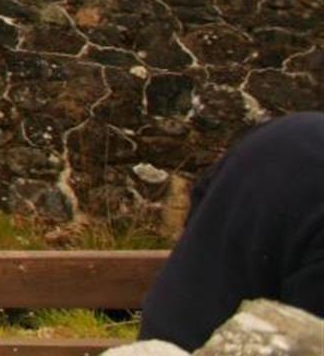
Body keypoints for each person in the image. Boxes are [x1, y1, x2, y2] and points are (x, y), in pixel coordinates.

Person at [138, 111, 324, 348]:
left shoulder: (290, 132)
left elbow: (200, 200)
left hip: (164, 334)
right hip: (219, 345)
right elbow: (309, 340)